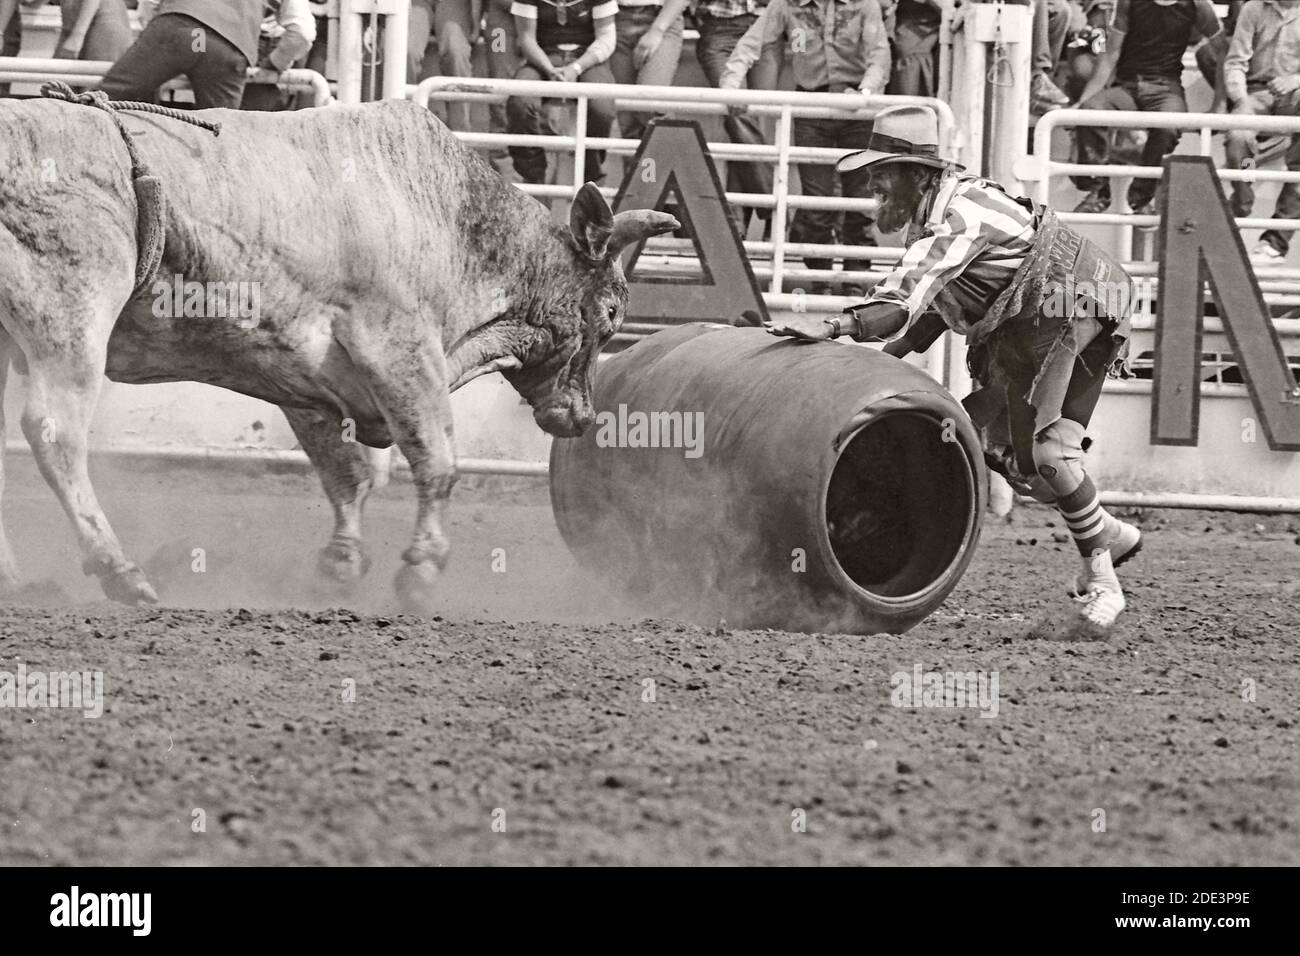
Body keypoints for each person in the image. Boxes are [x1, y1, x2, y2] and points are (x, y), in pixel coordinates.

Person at [766, 106, 1141, 629]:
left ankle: (1104, 582)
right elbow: (928, 315)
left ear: (916, 174)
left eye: (882, 171)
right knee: (995, 448)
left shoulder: (960, 218)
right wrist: (864, 362)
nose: (872, 183)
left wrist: (832, 331)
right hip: (1037, 320)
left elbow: (903, 306)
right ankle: (1110, 534)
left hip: (1076, 310)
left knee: (1050, 454)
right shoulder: (938, 216)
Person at [721, 0, 891, 297]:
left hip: (858, 110)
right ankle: (820, 281)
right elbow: (752, 41)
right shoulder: (786, 5)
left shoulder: (865, 4)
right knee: (817, 201)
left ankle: (855, 280)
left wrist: (864, 91)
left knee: (861, 199)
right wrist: (731, 83)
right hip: (812, 107)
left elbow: (879, 54)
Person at [1070, 0, 1221, 217]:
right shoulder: (1129, 2)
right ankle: (1097, 192)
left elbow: (1224, 52)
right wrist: (1083, 102)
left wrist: (1220, 104)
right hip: (1128, 86)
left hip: (1166, 87)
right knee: (1090, 111)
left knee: (1169, 127)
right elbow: (1110, 53)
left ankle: (1142, 197)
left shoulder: (1197, 4)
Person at [100, 0, 312, 110]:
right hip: (228, 46)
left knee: (101, 100)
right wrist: (274, 64)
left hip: (181, 29)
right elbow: (302, 33)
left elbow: (149, 4)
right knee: (218, 136)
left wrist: (157, 47)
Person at [507, 0, 619, 185]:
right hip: (542, 57)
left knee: (602, 108)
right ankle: (533, 177)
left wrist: (575, 68)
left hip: (588, 59)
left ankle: (590, 177)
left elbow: (606, 38)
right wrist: (550, 69)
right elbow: (526, 38)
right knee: (520, 101)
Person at [1223, 0, 1300, 265]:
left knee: (1299, 167)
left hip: (1297, 95)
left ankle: (1275, 241)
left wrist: (1295, 80)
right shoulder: (1254, 9)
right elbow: (1236, 61)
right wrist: (1241, 100)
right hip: (1258, 93)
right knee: (1239, 138)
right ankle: (1244, 191)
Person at [694, 0, 778, 237]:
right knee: (738, 116)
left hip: (767, 27)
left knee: (751, 123)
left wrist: (799, 40)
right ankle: (775, 208)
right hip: (719, 27)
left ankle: (735, 228)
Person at [609, 0, 687, 155]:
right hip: (614, 17)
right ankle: (639, 178)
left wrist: (657, 30)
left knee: (652, 104)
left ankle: (669, 172)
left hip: (661, 17)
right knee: (626, 116)